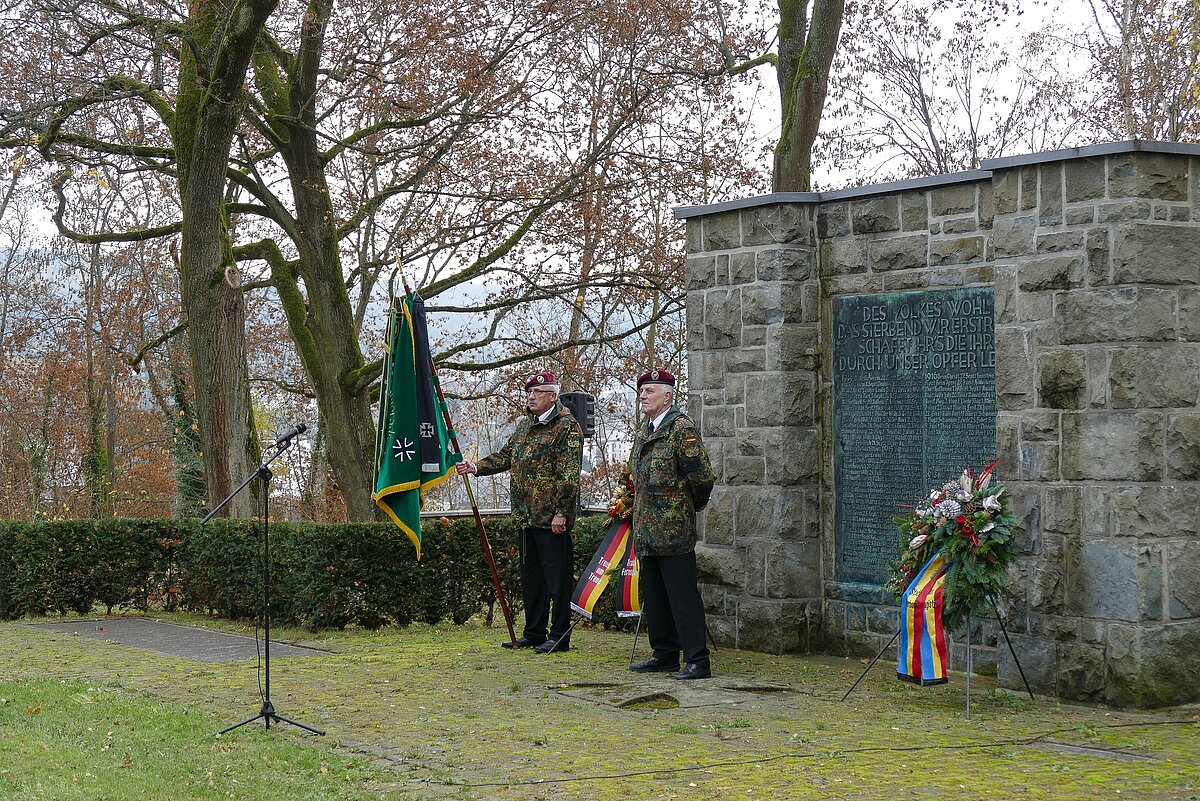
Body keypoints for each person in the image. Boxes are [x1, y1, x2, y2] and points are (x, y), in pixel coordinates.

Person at [456, 371, 583, 653]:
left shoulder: (566, 427)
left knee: (557, 580)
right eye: (529, 393)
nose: (531, 397)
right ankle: (534, 632)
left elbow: (569, 475)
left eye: (537, 393)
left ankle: (559, 635)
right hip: (526, 517)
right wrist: (475, 467)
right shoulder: (526, 425)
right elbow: (506, 456)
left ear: (552, 395)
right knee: (532, 579)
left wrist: (562, 512)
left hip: (551, 519)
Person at [619, 368, 715, 680]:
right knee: (657, 597)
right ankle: (664, 654)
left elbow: (702, 477)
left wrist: (687, 506)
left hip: (674, 530)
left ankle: (698, 660)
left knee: (682, 597)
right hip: (648, 530)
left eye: (649, 391)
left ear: (667, 396)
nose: (643, 396)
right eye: (641, 391)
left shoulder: (680, 429)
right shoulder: (647, 430)